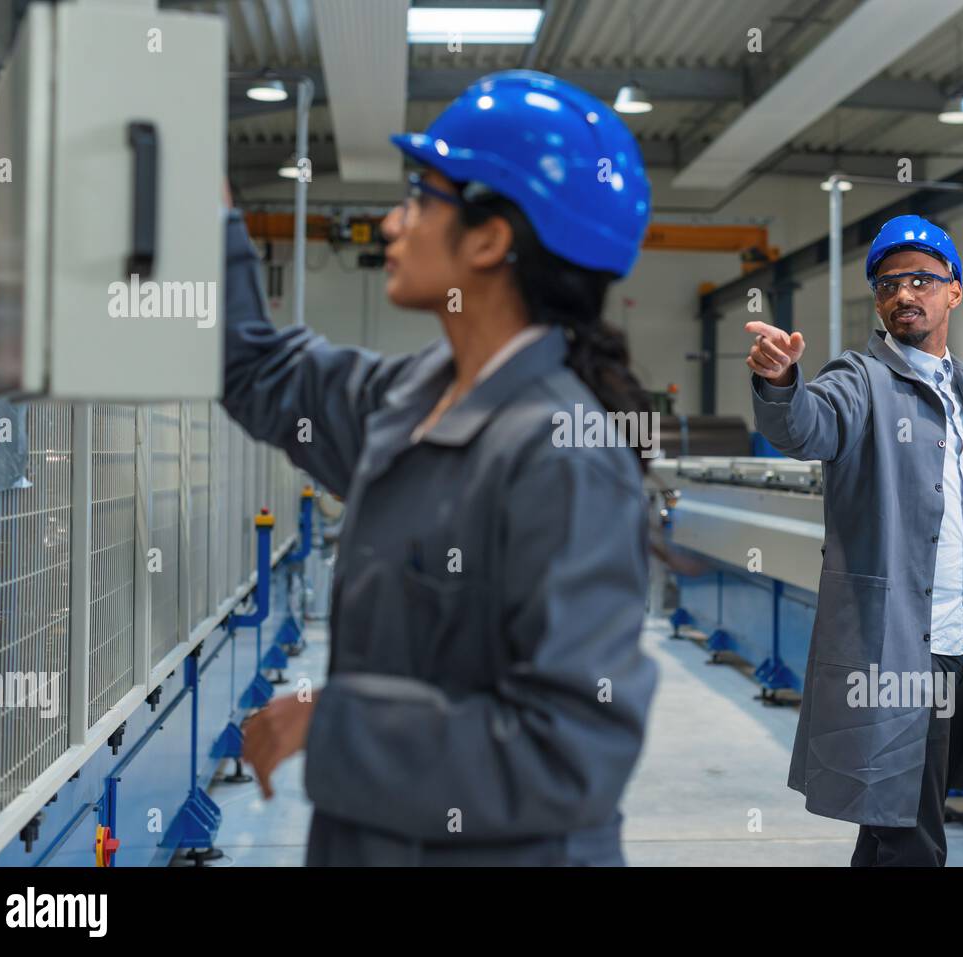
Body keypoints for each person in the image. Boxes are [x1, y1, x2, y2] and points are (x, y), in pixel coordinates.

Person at [224, 70, 658, 866]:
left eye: (420, 197)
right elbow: (259, 373)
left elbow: (571, 754)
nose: (392, 222)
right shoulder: (411, 398)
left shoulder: (563, 456)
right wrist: (198, 207)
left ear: (490, 239)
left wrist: (332, 722)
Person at [744, 214, 963, 867]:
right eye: (887, 284)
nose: (903, 294)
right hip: (895, 656)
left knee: (896, 824)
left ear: (954, 290)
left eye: (920, 279)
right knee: (915, 840)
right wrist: (779, 383)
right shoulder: (859, 379)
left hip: (959, 648)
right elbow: (806, 428)